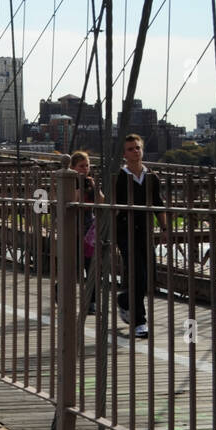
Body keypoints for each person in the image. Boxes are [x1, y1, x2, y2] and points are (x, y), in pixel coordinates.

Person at [112, 134, 167, 338]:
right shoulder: (118, 176)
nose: (135, 152)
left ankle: (125, 300)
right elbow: (112, 205)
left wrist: (164, 228)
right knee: (137, 274)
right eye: (130, 149)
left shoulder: (152, 177)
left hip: (145, 230)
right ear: (124, 154)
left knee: (149, 275)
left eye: (137, 148)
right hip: (125, 231)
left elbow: (157, 204)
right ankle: (139, 321)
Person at [70, 150, 105, 313]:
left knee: (92, 267)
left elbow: (101, 201)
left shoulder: (90, 182)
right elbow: (72, 201)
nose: (84, 169)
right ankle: (59, 291)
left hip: (89, 231)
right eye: (81, 166)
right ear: (73, 167)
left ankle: (92, 302)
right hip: (73, 229)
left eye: (87, 166)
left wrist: (94, 188)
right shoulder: (68, 181)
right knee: (73, 266)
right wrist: (79, 186)